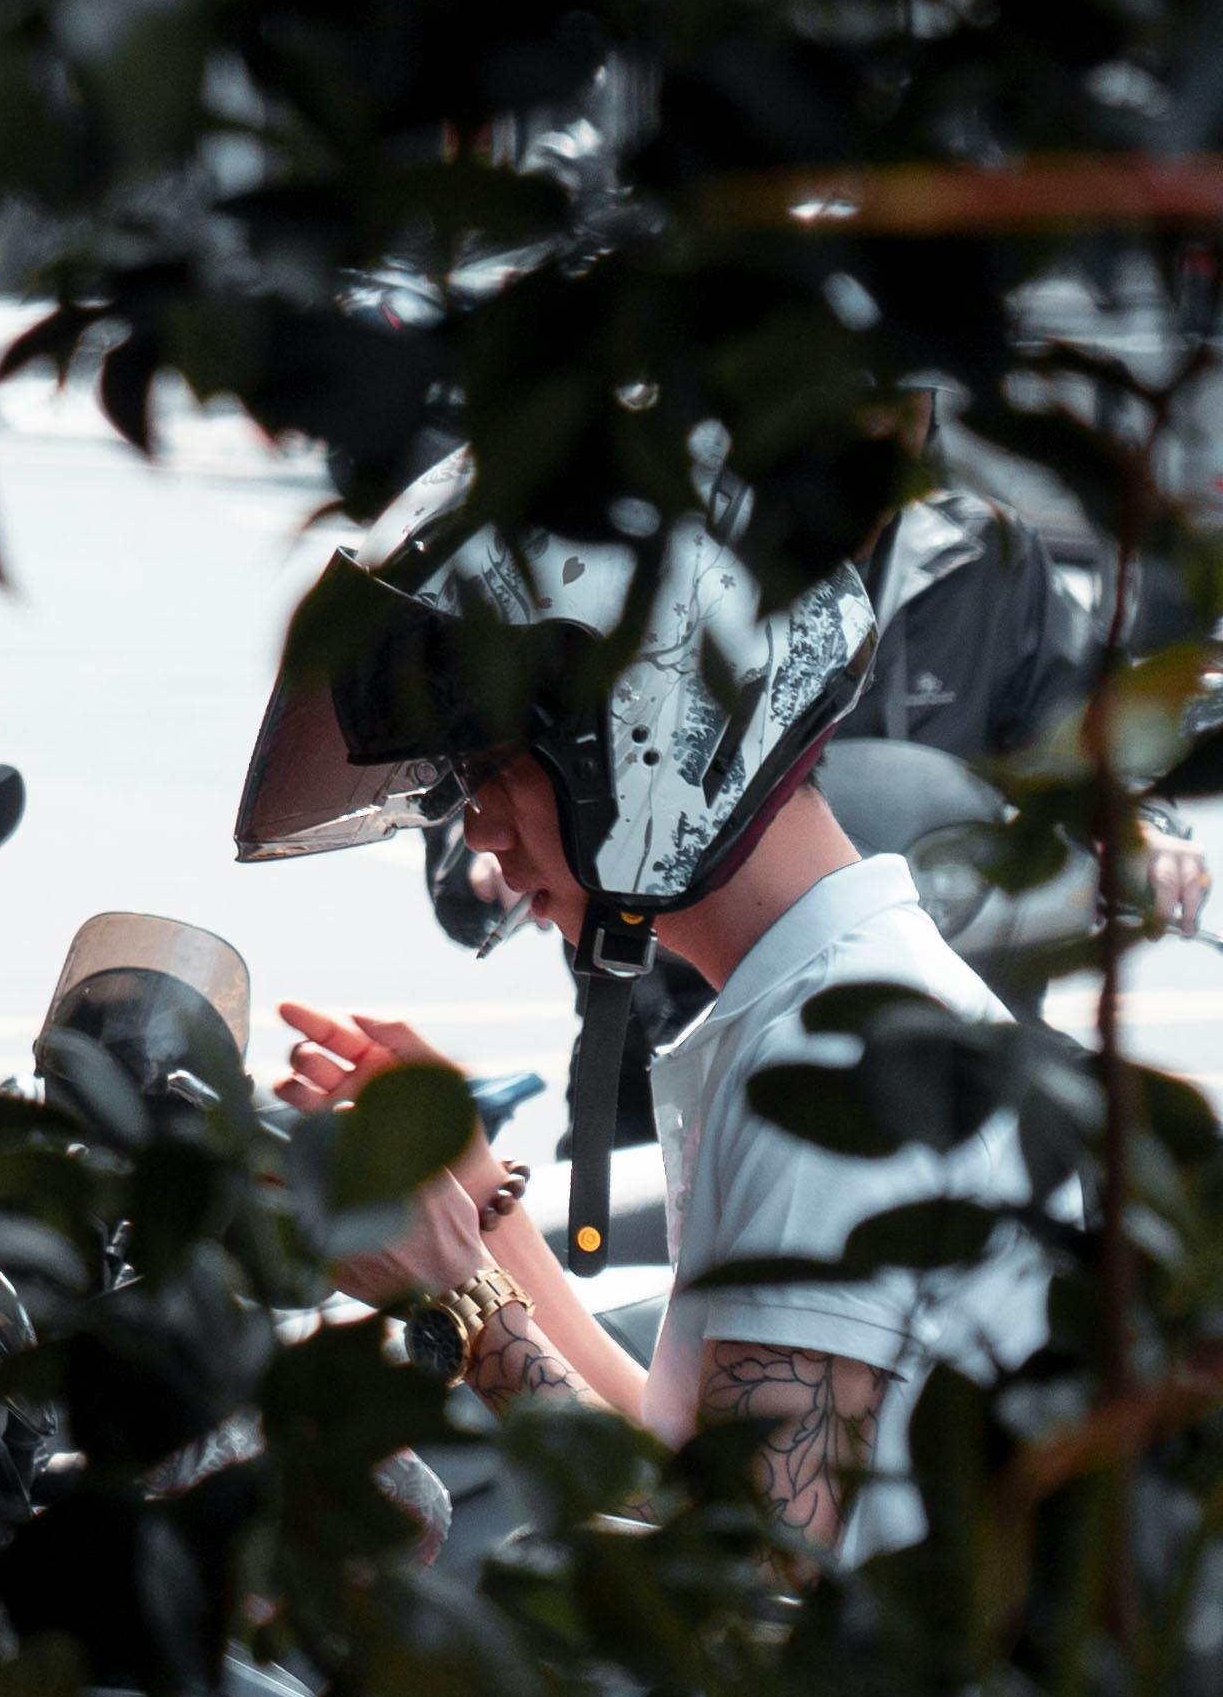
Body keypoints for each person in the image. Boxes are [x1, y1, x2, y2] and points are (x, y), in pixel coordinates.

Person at [238, 481, 1048, 1558]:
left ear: (646, 754)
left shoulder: (839, 1069)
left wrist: (455, 1299)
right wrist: (482, 1210)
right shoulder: (813, 1007)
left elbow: (739, 1588)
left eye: (489, 770)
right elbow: (670, 1462)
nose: (475, 828)